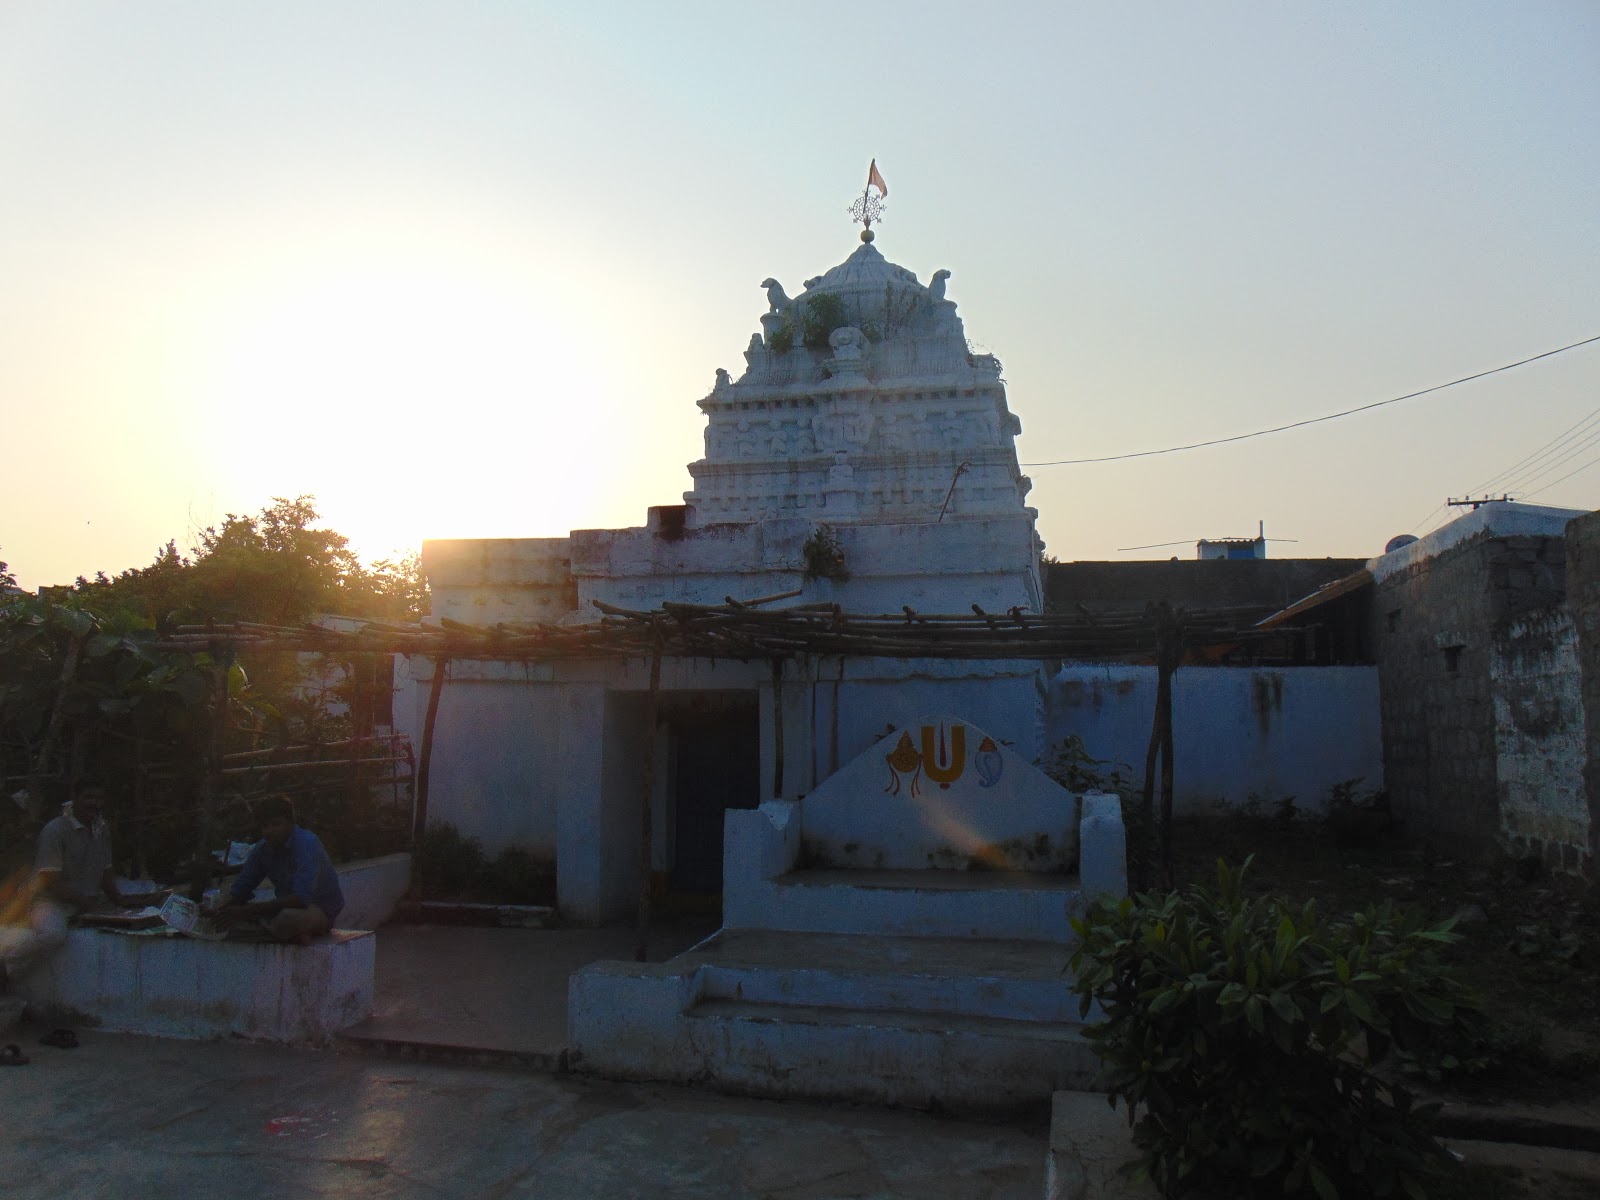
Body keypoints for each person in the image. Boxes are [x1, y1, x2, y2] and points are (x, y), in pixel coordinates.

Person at [0, 780, 157, 991]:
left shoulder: (102, 828)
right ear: (76, 798)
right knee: (53, 934)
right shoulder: (55, 830)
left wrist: (120, 899)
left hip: (86, 900)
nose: (95, 803)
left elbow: (106, 870)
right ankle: (5, 962)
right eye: (89, 797)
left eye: (99, 798)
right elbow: (49, 881)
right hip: (49, 901)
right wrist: (87, 903)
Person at [211, 795, 343, 943]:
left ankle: (269, 931)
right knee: (227, 911)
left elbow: (301, 899)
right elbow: (241, 889)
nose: (269, 831)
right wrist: (220, 910)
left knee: (286, 919)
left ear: (290, 824)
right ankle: (283, 933)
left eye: (276, 824)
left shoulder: (307, 843)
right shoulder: (262, 849)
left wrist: (245, 912)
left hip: (319, 910)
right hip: (282, 908)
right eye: (265, 826)